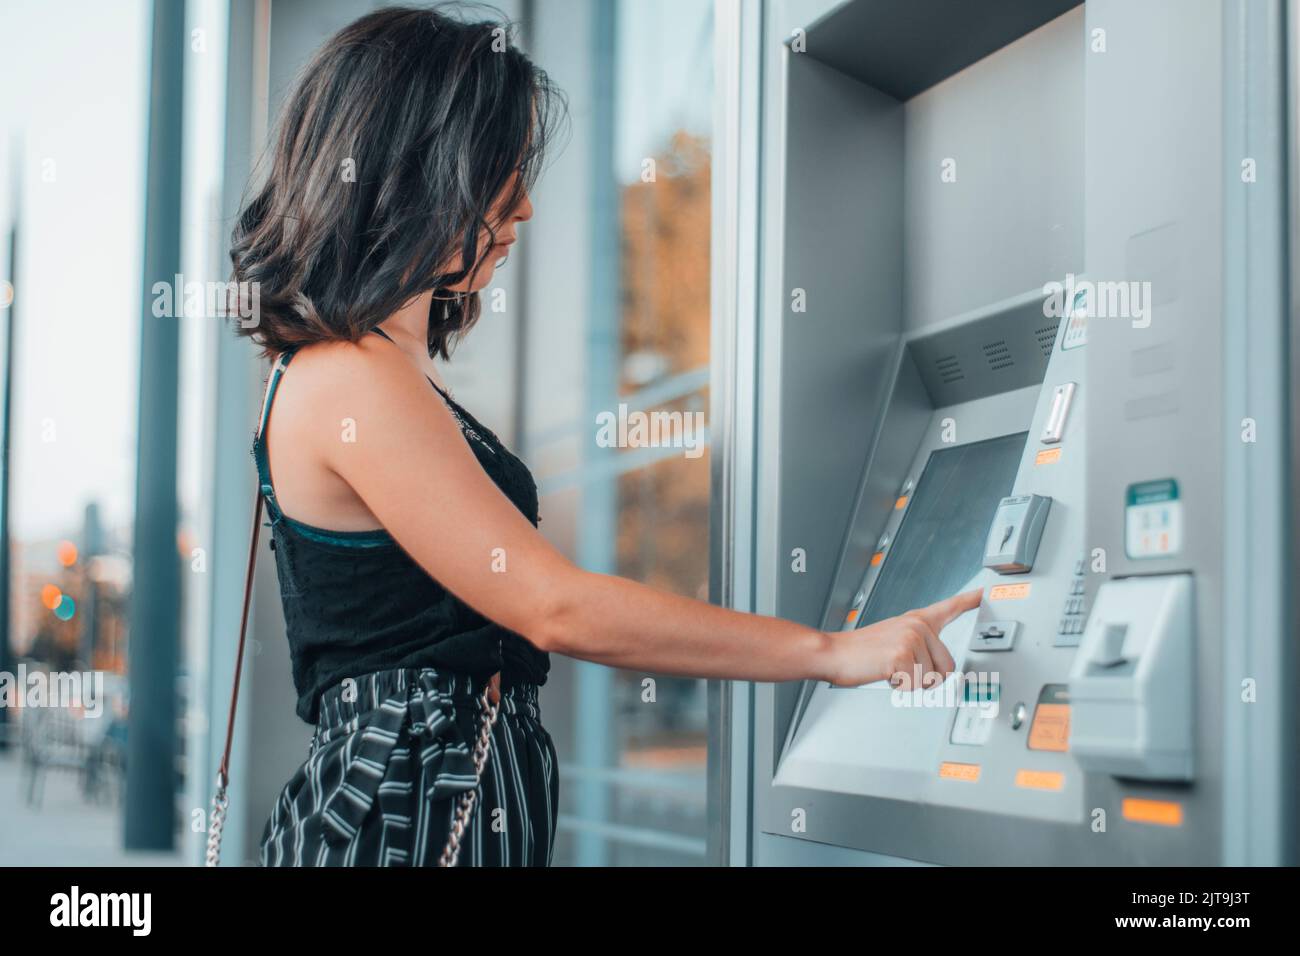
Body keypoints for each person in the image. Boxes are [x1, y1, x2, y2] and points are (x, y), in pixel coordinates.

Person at [230, 4, 980, 868]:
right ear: (414, 173)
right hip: (404, 827)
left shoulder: (367, 371)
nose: (524, 208)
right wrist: (830, 652)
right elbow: (553, 604)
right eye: (497, 173)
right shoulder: (349, 376)